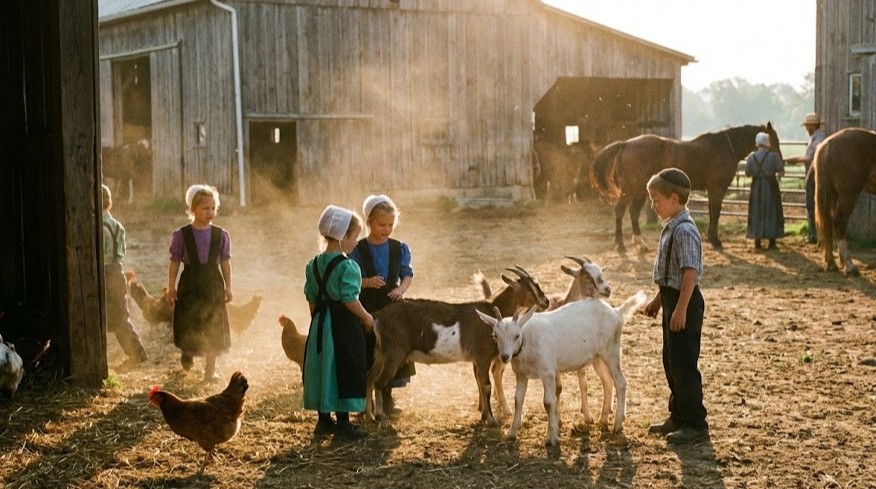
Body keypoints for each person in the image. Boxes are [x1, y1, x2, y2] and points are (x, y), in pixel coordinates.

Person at [641, 168, 709, 444]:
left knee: (684, 363)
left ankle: (695, 423)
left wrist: (680, 309)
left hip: (685, 301)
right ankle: (678, 415)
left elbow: (689, 273)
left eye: (656, 200)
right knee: (671, 360)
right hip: (671, 298)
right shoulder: (670, 226)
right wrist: (659, 300)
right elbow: (669, 273)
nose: (653, 206)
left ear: (673, 198)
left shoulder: (684, 230)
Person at [303, 205, 375, 440]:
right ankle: (343, 422)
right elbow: (349, 299)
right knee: (343, 366)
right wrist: (366, 317)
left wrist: (317, 323)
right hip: (342, 325)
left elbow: (312, 298)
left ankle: (323, 420)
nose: (356, 242)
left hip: (320, 323)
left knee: (323, 367)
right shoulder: (348, 266)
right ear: (343, 237)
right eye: (354, 237)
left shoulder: (313, 265)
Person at [349, 194, 414, 414]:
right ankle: (364, 401)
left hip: (392, 304)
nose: (386, 229)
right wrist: (366, 282)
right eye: (381, 225)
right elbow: (350, 277)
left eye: (390, 224)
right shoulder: (358, 249)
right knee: (368, 349)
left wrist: (401, 289)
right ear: (368, 222)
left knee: (392, 350)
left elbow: (407, 274)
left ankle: (387, 397)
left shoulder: (399, 248)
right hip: (368, 305)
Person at [164, 184, 232, 383]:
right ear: (193, 209)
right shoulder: (181, 235)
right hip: (190, 284)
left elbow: (226, 263)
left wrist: (228, 286)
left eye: (213, 208)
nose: (210, 212)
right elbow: (175, 261)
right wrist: (171, 285)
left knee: (212, 326)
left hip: (212, 285)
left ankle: (210, 371)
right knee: (189, 322)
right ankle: (187, 351)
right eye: (205, 208)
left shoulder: (221, 235)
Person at [101, 184, 149, 367]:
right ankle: (137, 352)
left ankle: (105, 357)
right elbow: (121, 251)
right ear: (110, 203)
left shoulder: (97, 226)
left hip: (103, 273)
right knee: (121, 317)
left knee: (98, 315)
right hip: (117, 271)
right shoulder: (118, 226)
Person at [785, 112, 828, 244]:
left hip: (815, 174)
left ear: (813, 126)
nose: (806, 129)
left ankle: (815, 234)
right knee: (812, 205)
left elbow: (812, 157)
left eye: (808, 126)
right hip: (812, 173)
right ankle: (814, 233)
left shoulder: (819, 138)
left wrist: (795, 159)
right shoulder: (816, 137)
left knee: (812, 204)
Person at [745, 132, 785, 251]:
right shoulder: (773, 156)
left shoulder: (751, 157)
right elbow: (781, 171)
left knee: (756, 211)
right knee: (772, 211)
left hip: (756, 187)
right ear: (767, 143)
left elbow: (747, 173)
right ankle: (772, 241)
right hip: (771, 186)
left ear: (757, 143)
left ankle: (757, 241)